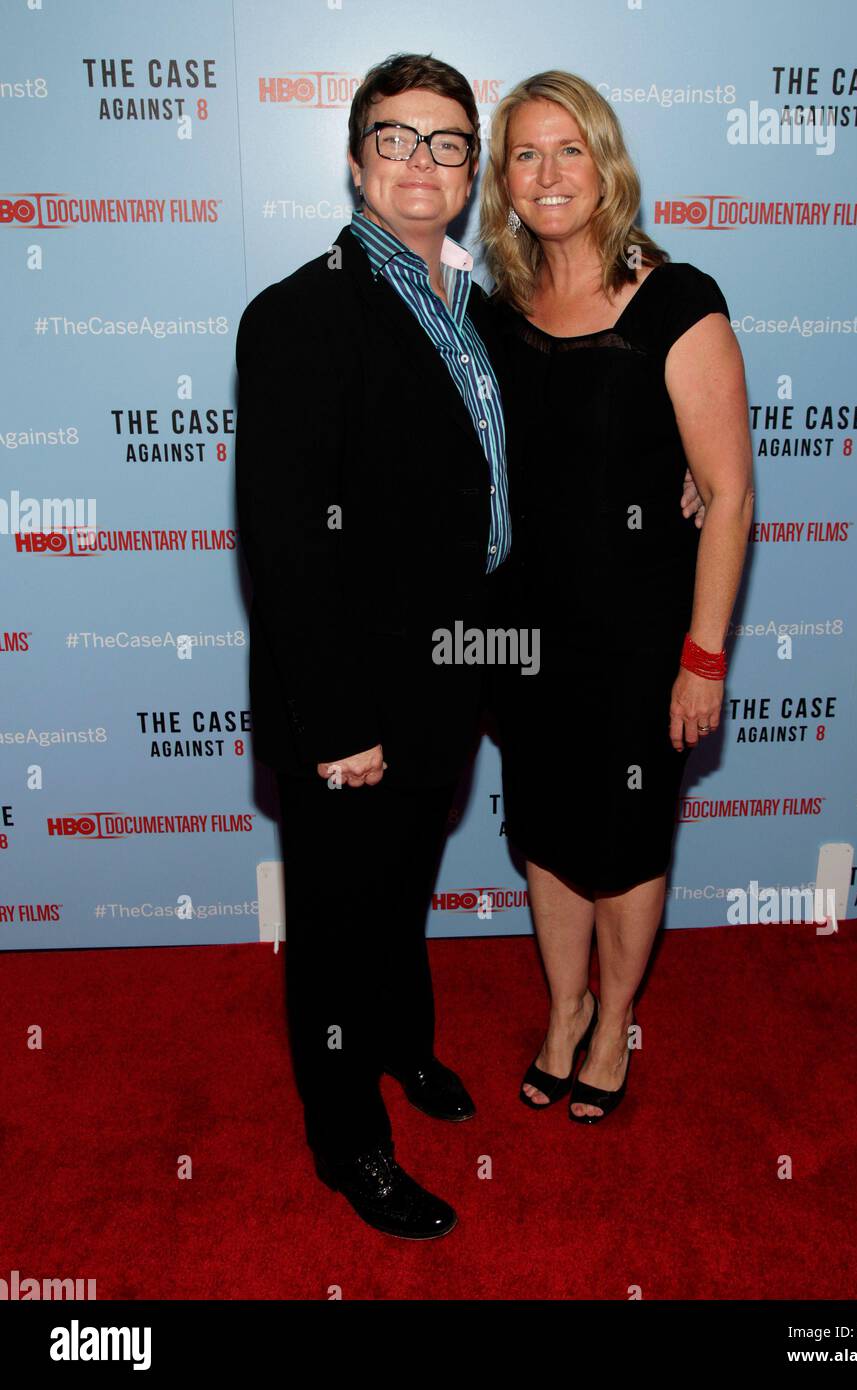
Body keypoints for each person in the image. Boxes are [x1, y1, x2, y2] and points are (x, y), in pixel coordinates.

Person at [234, 52, 516, 1240]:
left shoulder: (475, 308)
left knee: (403, 889)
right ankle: (347, 1139)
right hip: (346, 696)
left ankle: (403, 1043)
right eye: (396, 139)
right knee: (341, 921)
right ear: (356, 164)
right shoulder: (300, 313)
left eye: (447, 142)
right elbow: (287, 542)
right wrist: (338, 722)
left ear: (470, 169)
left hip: (451, 671)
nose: (423, 162)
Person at [480, 72, 754, 1122]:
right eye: (524, 154)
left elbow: (726, 493)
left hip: (641, 636)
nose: (548, 174)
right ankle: (562, 1008)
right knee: (548, 830)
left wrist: (703, 655)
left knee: (628, 836)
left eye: (569, 150)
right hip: (525, 631)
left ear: (607, 163)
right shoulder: (498, 306)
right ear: (503, 179)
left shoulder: (677, 299)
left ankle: (613, 1019)